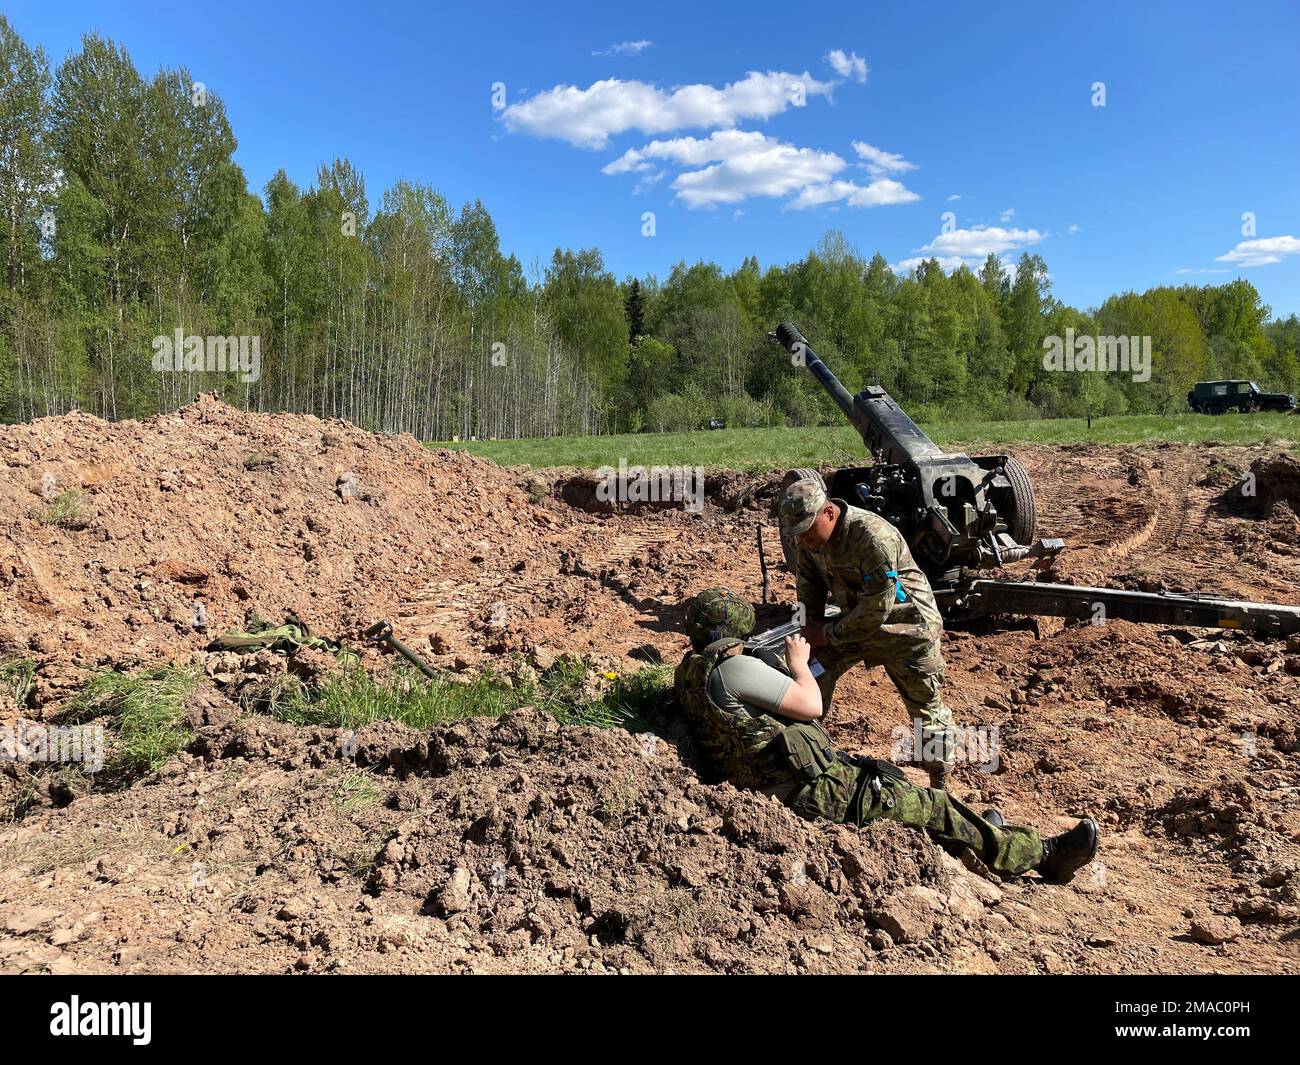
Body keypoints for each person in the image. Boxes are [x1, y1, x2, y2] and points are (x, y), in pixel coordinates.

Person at [673, 588, 1100, 883]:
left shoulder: (692, 673)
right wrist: (799, 662)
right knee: (931, 803)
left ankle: (971, 840)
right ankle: (1037, 855)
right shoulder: (736, 669)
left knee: (889, 778)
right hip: (806, 792)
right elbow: (811, 705)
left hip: (779, 784)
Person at [780, 477, 959, 790]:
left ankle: (940, 782)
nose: (802, 540)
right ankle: (807, 758)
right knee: (809, 675)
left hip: (906, 629)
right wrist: (806, 630)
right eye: (796, 534)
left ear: (829, 513)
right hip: (850, 625)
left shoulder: (872, 537)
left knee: (926, 709)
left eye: (808, 530)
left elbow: (878, 608)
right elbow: (807, 589)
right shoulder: (807, 538)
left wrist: (826, 634)